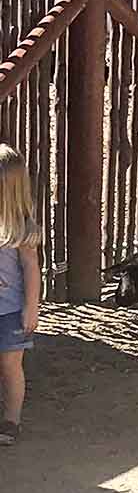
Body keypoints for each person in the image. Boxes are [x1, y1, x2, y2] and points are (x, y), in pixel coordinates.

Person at [0, 144, 41, 445]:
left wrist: (31, 308)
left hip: (11, 310)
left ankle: (11, 420)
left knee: (11, 366)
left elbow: (31, 270)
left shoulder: (21, 228)